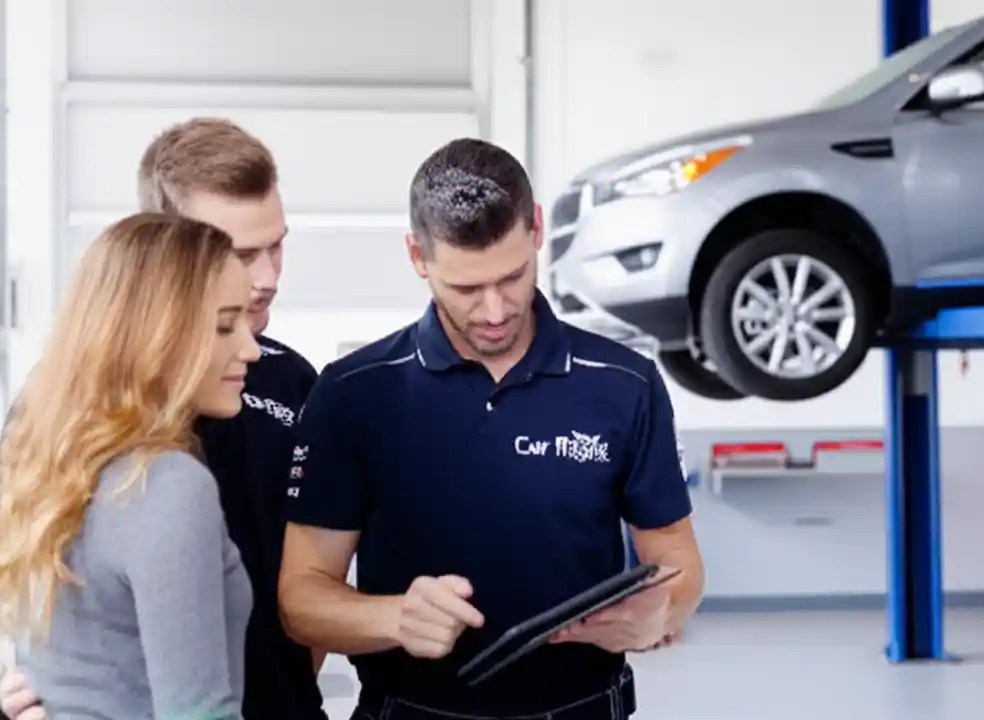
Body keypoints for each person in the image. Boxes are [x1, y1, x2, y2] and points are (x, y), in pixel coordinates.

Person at [276, 137, 706, 719]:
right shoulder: (354, 393)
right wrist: (395, 618)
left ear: (535, 229)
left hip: (584, 707)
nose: (496, 310)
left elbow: (678, 559)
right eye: (466, 289)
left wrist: (662, 613)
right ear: (417, 256)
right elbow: (301, 596)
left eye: (512, 276)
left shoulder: (625, 384)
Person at [0, 119, 327, 719]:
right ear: (168, 256)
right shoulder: (55, 410)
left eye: (277, 245)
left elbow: (311, 587)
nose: (266, 278)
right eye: (237, 254)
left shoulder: (295, 385)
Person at [0, 213, 261, 719]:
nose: (250, 348)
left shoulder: (41, 454)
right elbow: (198, 714)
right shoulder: (168, 484)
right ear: (156, 334)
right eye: (225, 325)